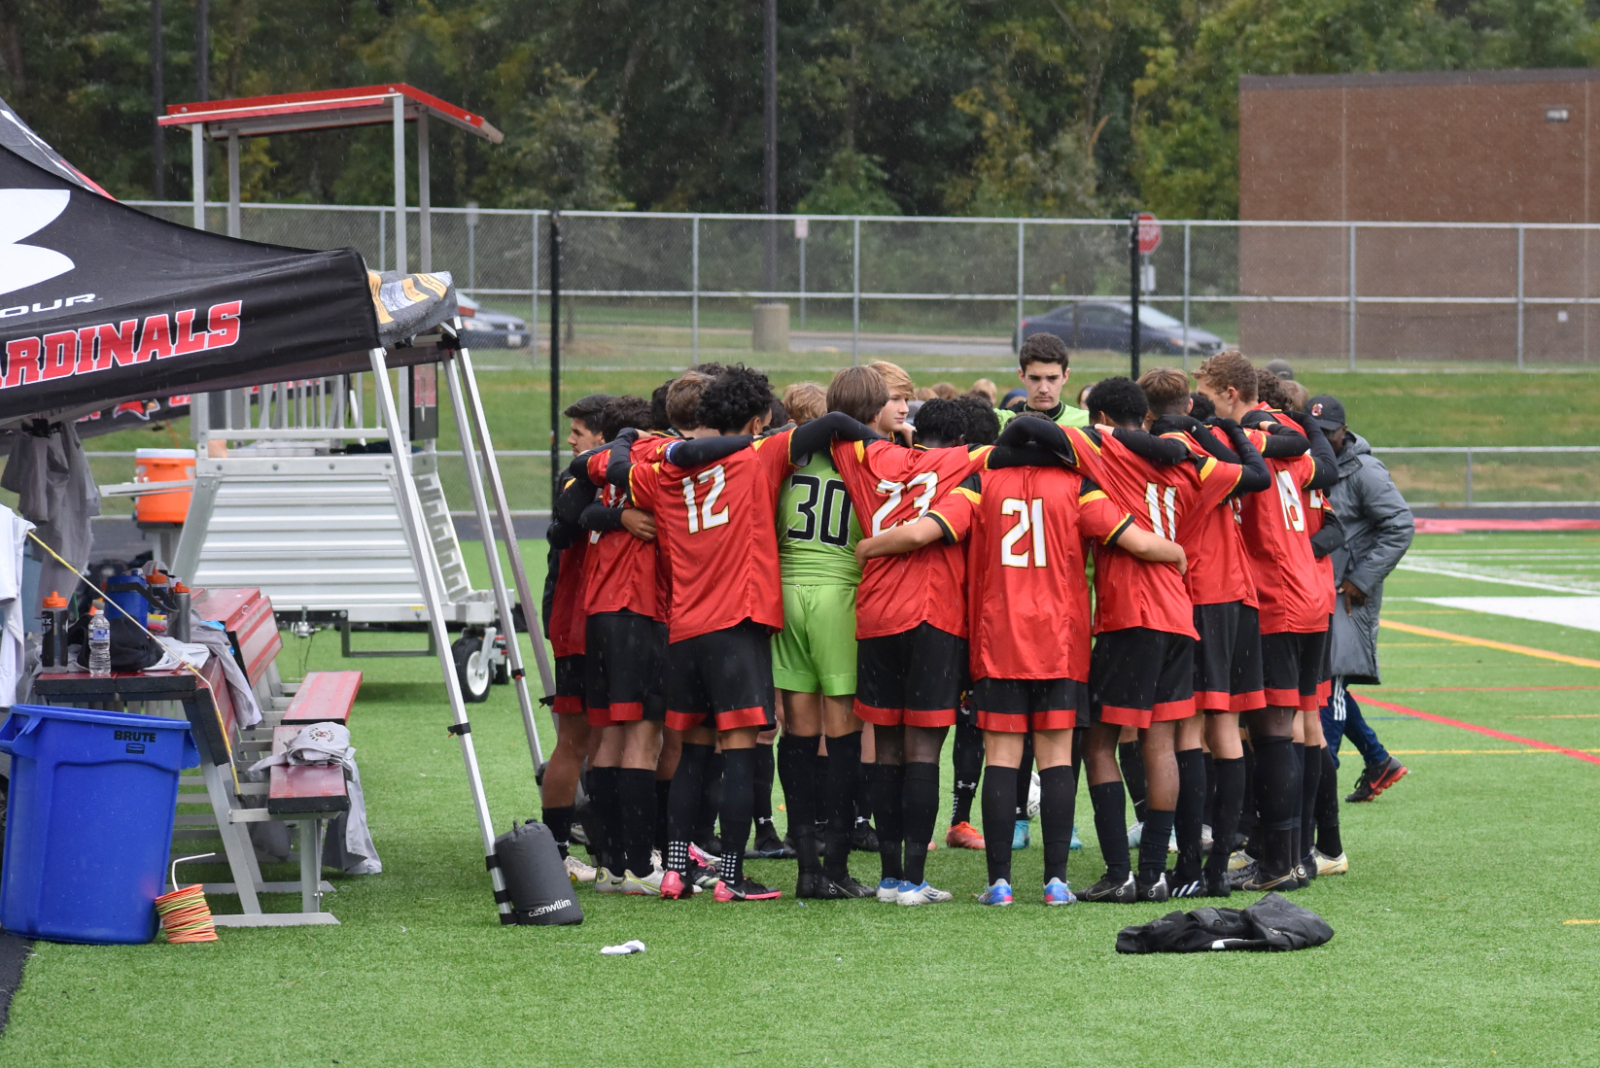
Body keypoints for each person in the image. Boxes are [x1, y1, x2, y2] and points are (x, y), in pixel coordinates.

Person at [584, 366, 879, 902]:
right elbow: (831, 423)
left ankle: (675, 872)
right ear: (760, 419)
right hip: (737, 628)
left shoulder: (664, 471)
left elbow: (612, 468)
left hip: (683, 629)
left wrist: (628, 438)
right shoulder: (759, 455)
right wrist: (887, 444)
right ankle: (732, 878)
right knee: (739, 754)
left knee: (692, 755)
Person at [1194, 350, 1339, 892]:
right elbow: (1319, 466)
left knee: (1272, 734)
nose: (1201, 408)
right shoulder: (1284, 436)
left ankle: (1278, 862)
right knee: (1297, 728)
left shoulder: (1239, 440)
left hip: (1275, 597)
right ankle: (1295, 855)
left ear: (1230, 394)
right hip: (1310, 595)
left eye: (1206, 396)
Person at [1139, 367, 1275, 896]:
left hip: (1198, 594)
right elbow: (1257, 474)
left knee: (1188, 732)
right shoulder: (1211, 453)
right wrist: (1224, 429)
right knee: (1227, 728)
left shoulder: (1164, 456)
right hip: (1238, 594)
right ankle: (1219, 865)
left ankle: (1193, 865)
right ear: (1190, 406)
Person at [770, 380, 873, 899]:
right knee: (843, 737)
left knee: (798, 734)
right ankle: (836, 866)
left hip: (786, 589)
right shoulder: (868, 457)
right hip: (838, 593)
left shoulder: (785, 455)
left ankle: (806, 867)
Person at [1309, 393, 1413, 818]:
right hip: (1318, 590)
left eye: (1329, 433)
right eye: (1315, 433)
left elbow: (1400, 524)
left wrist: (1361, 578)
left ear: (1344, 431)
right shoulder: (1313, 462)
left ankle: (1319, 801)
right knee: (1327, 685)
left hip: (1347, 597)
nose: (1323, 440)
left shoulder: (1364, 470)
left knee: (1330, 685)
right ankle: (1378, 759)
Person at [539, 393, 612, 884]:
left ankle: (606, 847)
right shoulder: (579, 479)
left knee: (602, 738)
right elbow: (564, 532)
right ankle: (558, 850)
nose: (570, 440)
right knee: (577, 740)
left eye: (578, 432)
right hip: (581, 625)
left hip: (599, 624)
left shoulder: (611, 473)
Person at [994, 333, 1090, 430]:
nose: (1043, 389)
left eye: (1052, 378)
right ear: (1022, 375)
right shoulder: (997, 423)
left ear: (1065, 376)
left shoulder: (1087, 423)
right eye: (1035, 378)